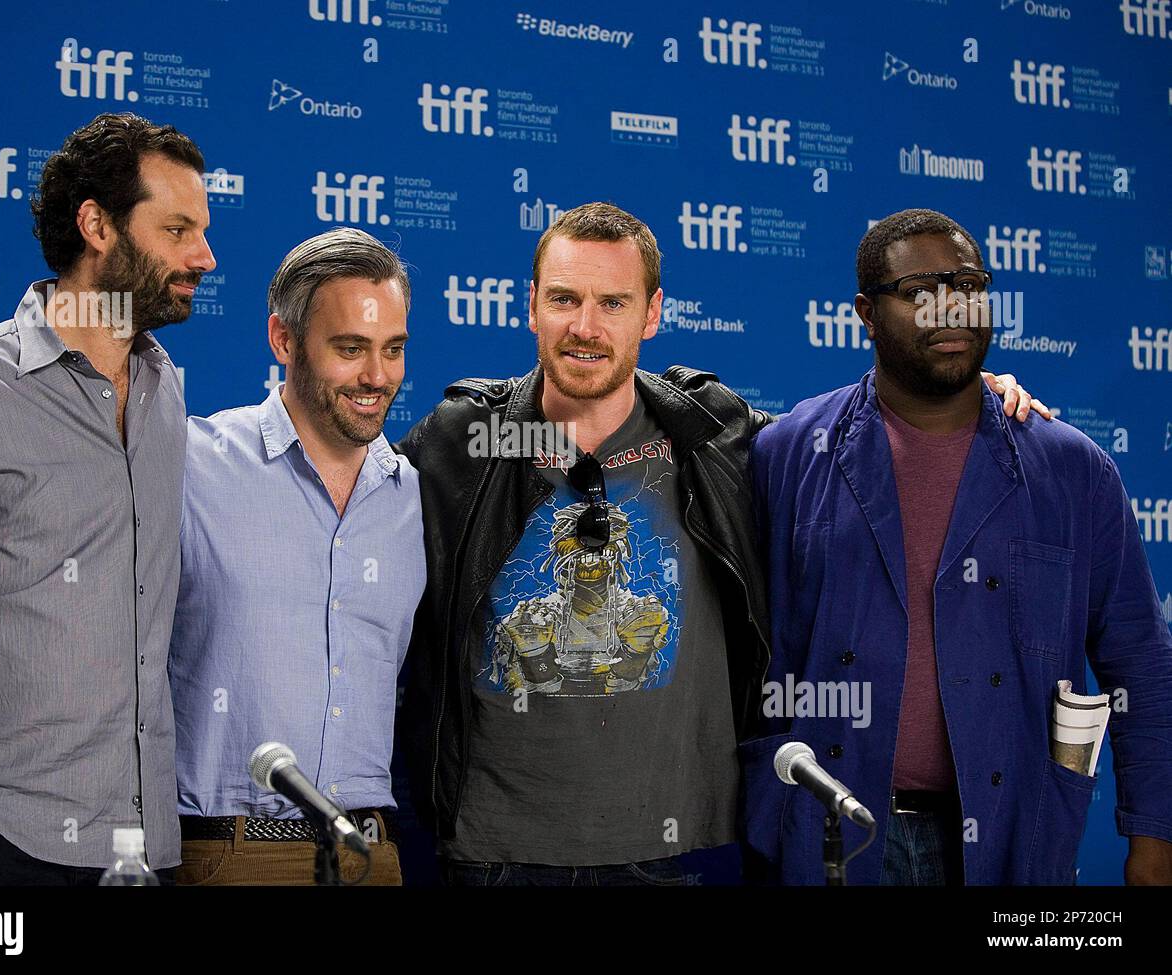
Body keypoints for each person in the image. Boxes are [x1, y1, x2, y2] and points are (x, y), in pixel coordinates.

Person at [397, 202, 1043, 886]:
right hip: (495, 856)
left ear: (651, 314)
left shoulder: (715, 435)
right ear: (530, 305)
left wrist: (964, 400)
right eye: (564, 298)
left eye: (613, 302)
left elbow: (860, 441)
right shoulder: (460, 443)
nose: (585, 327)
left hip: (684, 853)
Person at [744, 208, 1172, 885]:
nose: (951, 307)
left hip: (1008, 833)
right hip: (832, 828)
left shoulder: (1071, 470)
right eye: (919, 292)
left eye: (969, 284)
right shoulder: (789, 452)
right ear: (866, 312)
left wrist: (1155, 834)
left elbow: (1141, 661)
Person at [0, 112, 215, 885]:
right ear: (97, 224)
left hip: (136, 847)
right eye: (179, 229)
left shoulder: (167, 394)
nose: (205, 255)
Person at [169, 228, 422, 885]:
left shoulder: (412, 497)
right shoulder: (192, 464)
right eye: (349, 348)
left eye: (392, 349)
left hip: (372, 856)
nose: (377, 376)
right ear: (283, 340)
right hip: (232, 851)